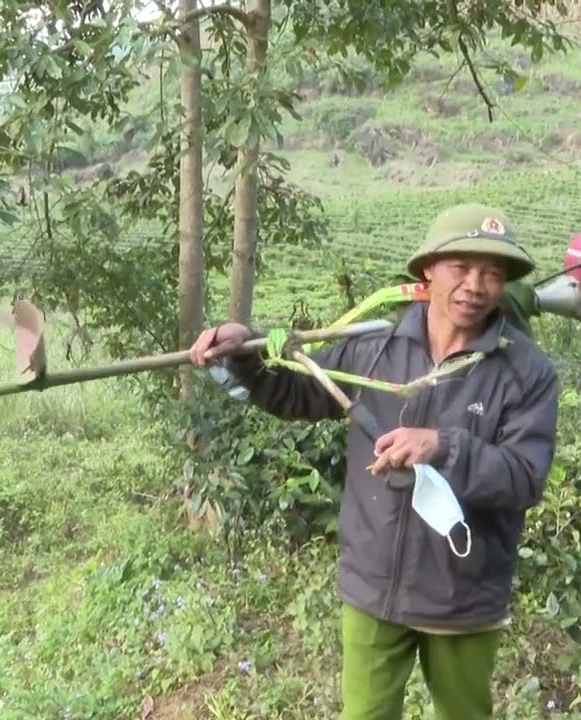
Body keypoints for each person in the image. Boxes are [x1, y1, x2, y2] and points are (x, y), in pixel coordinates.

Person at [188, 203, 561, 720]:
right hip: (373, 585)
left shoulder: (525, 371)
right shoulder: (374, 346)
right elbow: (300, 393)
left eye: (493, 273)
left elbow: (524, 477)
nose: (476, 285)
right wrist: (245, 357)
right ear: (429, 270)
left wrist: (444, 446)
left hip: (462, 596)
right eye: (462, 268)